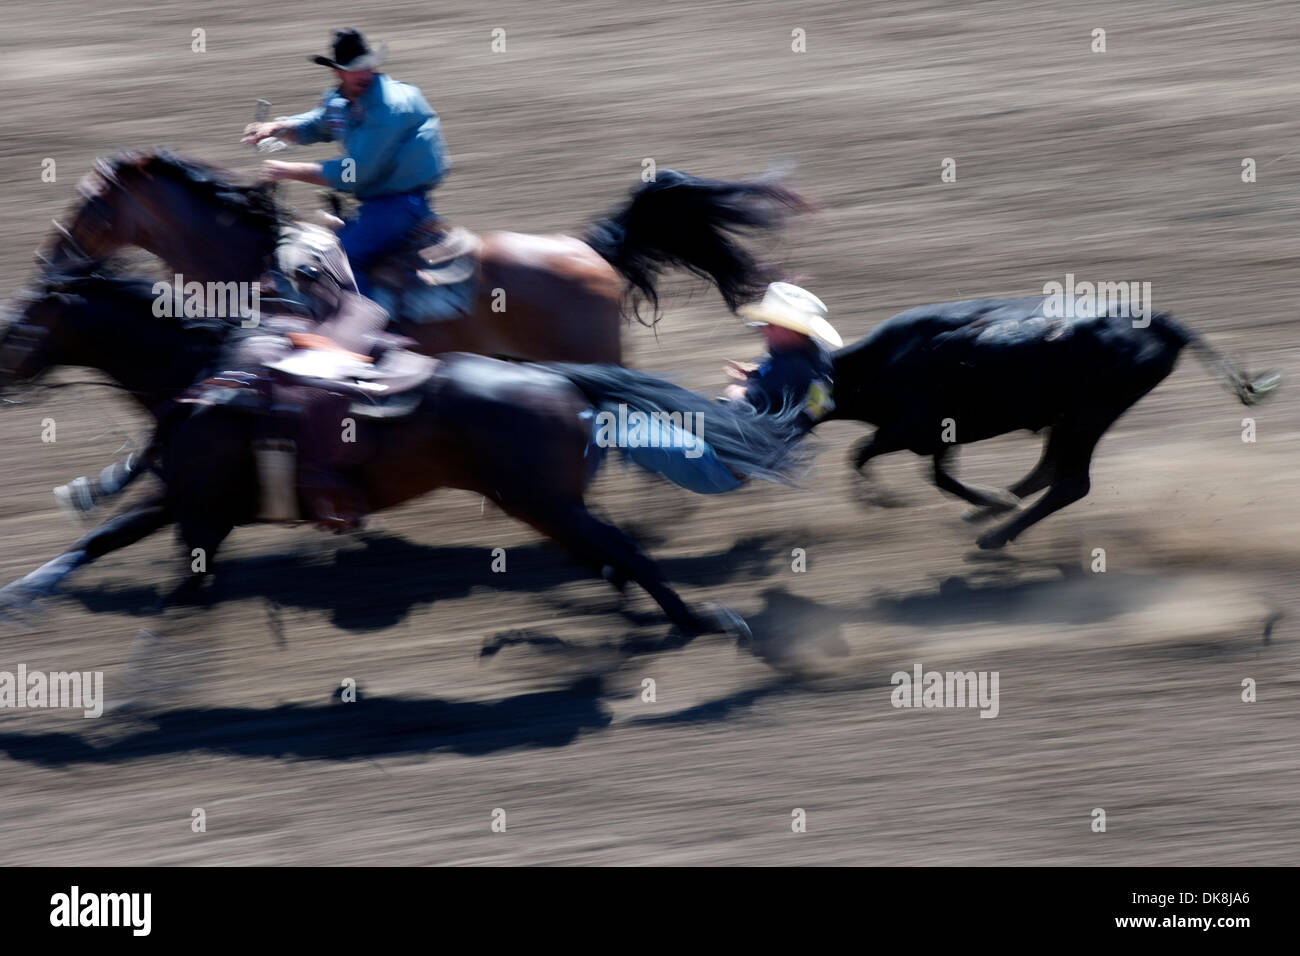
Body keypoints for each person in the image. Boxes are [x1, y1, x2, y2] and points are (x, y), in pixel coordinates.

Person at [241, 28, 450, 296]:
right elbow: (318, 123)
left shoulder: (388, 109)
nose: (363, 74)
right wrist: (277, 127)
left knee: (343, 264)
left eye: (366, 67)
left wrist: (289, 171)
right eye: (354, 69)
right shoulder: (344, 102)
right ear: (338, 71)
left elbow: (355, 172)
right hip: (381, 204)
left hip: (400, 205)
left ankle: (368, 332)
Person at [724, 282, 841, 427]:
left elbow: (741, 407)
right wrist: (757, 372)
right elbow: (818, 405)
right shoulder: (818, 351)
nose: (761, 328)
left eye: (768, 324)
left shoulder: (787, 368)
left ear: (788, 329)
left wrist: (738, 387)